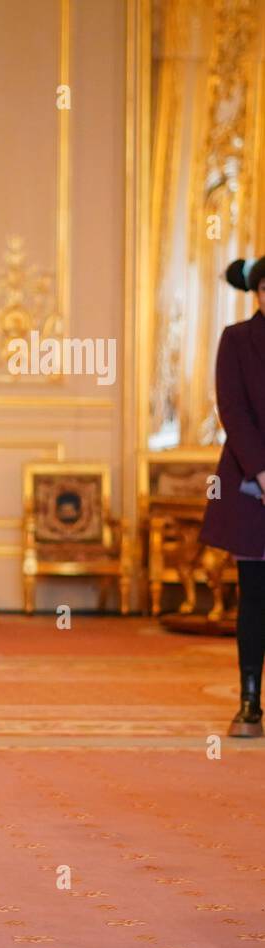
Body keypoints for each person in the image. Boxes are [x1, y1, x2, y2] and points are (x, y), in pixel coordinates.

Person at [200, 255, 265, 738]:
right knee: (255, 599)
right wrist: (263, 472)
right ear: (257, 293)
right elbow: (233, 409)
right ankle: (249, 701)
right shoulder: (237, 339)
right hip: (252, 486)